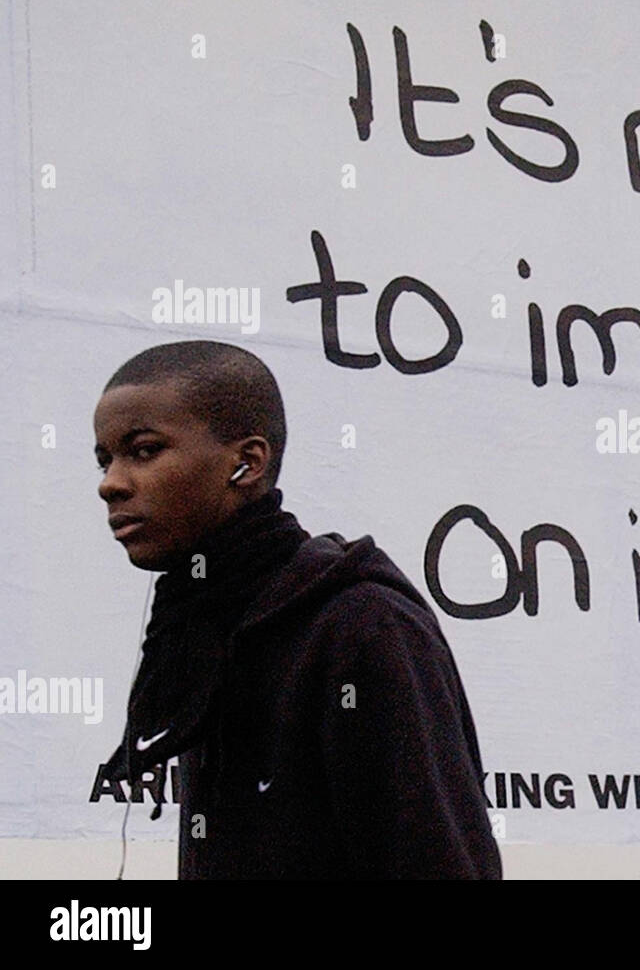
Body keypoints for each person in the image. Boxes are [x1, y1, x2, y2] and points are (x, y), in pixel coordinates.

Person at [94, 339, 502, 879]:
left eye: (143, 450)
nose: (111, 484)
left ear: (247, 463)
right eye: (105, 459)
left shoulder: (362, 626)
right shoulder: (208, 628)